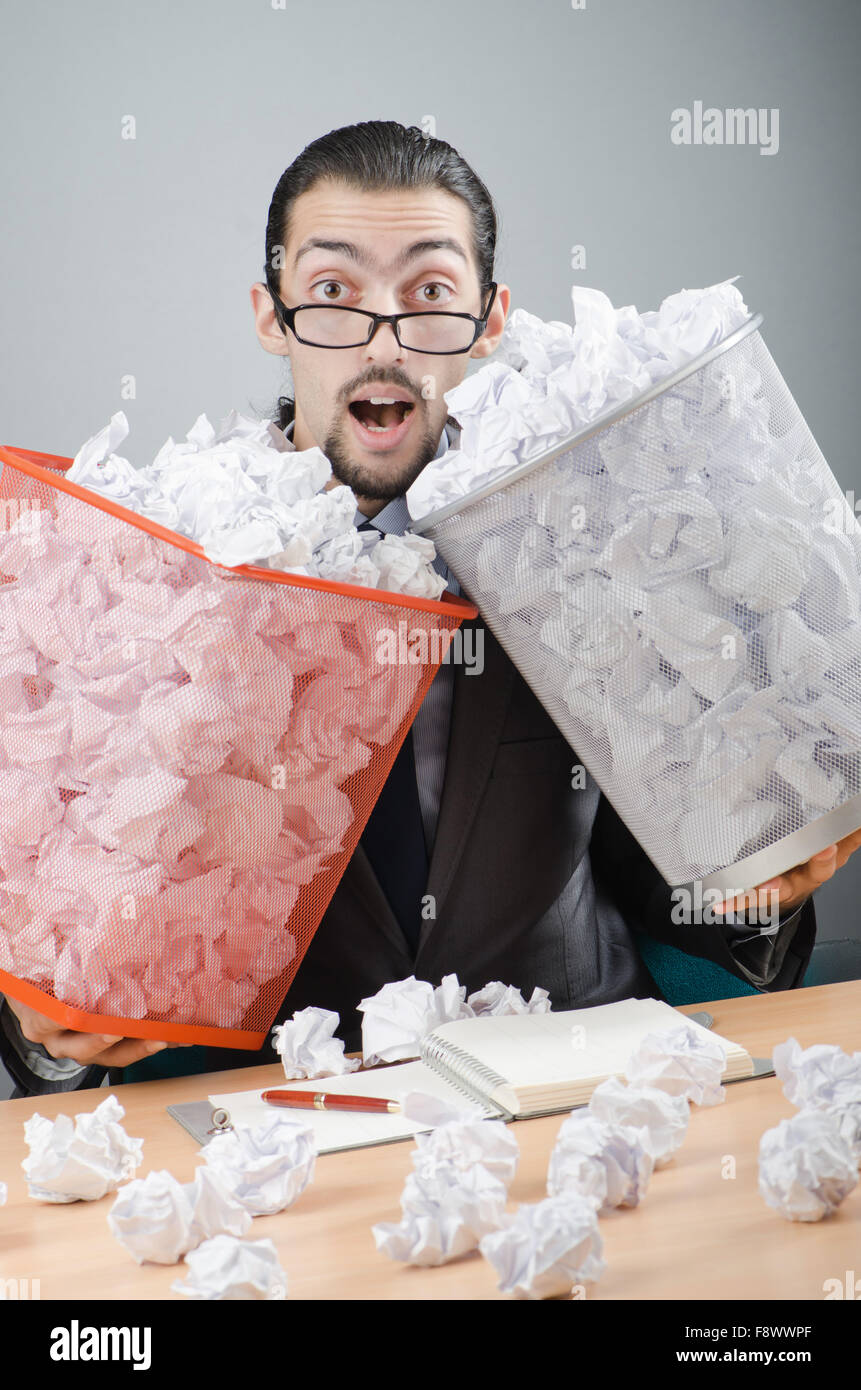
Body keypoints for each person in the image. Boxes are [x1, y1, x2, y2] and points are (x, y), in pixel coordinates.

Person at [2, 121, 857, 1098]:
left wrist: (756, 891)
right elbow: (80, 931)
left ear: (491, 321)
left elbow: (692, 908)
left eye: (429, 296)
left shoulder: (601, 547)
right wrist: (59, 1030)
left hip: (583, 1113)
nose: (382, 341)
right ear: (271, 317)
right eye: (333, 294)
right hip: (280, 1149)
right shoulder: (155, 587)